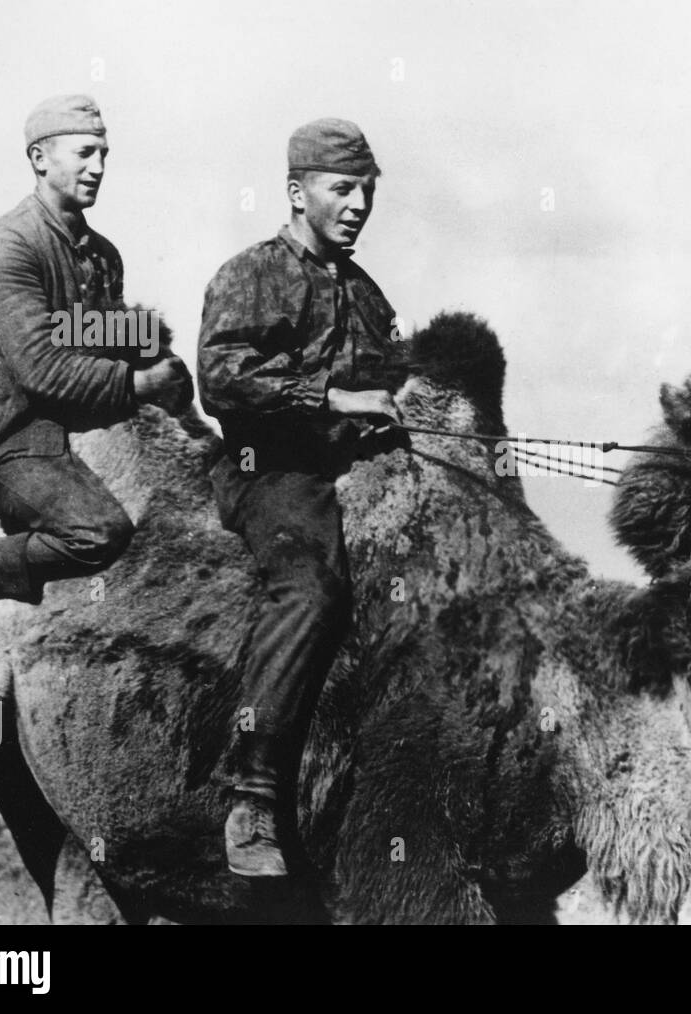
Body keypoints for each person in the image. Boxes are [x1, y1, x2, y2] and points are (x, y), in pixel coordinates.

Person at [198, 118, 407, 877]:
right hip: (269, 474)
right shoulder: (249, 274)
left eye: (367, 191)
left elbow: (394, 385)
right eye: (342, 188)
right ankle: (250, 795)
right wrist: (334, 399)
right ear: (297, 191)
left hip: (354, 476)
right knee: (312, 589)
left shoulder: (370, 296)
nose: (359, 205)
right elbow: (220, 382)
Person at [0, 94, 192, 632]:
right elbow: (41, 367)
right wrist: (141, 384)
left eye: (104, 155)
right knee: (100, 532)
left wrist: (162, 356)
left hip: (48, 429)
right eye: (85, 153)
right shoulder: (9, 245)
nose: (98, 168)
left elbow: (96, 330)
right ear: (40, 159)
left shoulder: (101, 253)